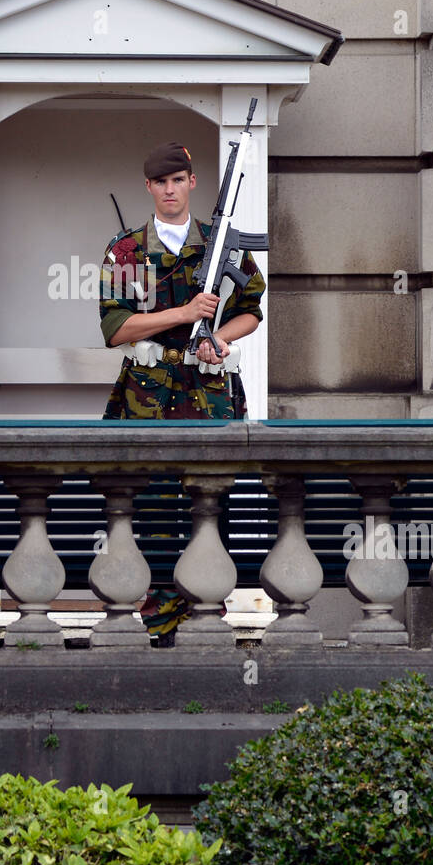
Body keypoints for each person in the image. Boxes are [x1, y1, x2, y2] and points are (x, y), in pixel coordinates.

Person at [98, 139, 266, 640]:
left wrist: (217, 338)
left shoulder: (221, 241)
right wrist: (185, 314)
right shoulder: (126, 249)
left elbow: (252, 310)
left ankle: (205, 618)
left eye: (179, 181)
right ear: (148, 187)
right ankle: (158, 626)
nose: (170, 190)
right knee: (149, 510)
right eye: (160, 183)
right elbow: (115, 328)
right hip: (145, 399)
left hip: (209, 396)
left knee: (210, 507)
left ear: (192, 183)